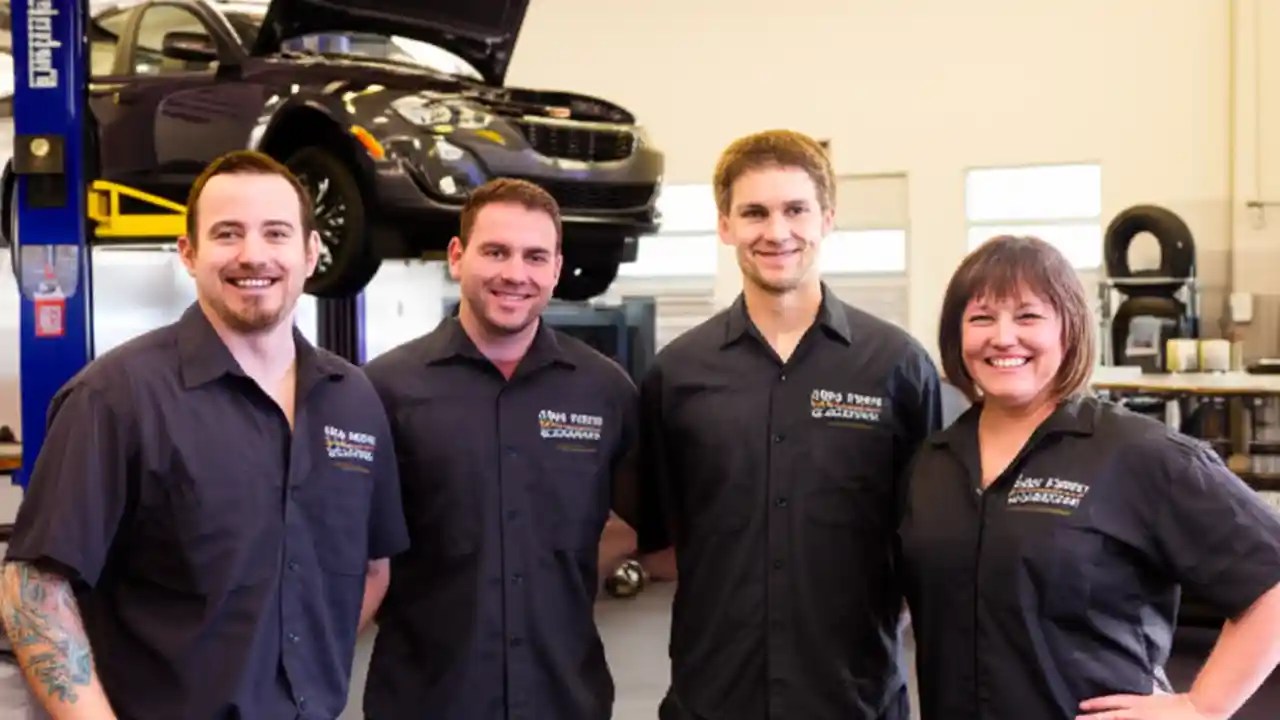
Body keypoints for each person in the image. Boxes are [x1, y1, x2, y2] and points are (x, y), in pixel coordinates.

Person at [0, 150, 410, 720]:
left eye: (276, 233)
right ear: (188, 253)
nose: (253, 255)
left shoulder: (354, 399)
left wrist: (299, 678)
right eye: (227, 234)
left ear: (311, 252)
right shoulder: (116, 398)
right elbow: (34, 586)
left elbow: (370, 567)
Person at [898, 234, 1280, 720]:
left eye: (1028, 316)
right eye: (981, 318)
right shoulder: (933, 462)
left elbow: (1273, 579)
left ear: (1070, 329)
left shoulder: (1137, 453)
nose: (1002, 336)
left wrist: (1202, 706)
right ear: (957, 337)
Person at [635, 129, 944, 720]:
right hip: (714, 696)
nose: (776, 232)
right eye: (754, 212)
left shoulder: (897, 366)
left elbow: (923, 532)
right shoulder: (677, 374)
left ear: (827, 219)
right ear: (725, 225)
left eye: (795, 209)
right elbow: (660, 541)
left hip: (854, 697)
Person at [360, 177, 640, 720]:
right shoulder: (384, 390)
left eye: (535, 256)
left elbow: (643, 527)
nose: (515, 273)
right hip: (425, 702)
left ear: (556, 269)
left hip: (565, 699)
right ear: (458, 256)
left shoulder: (604, 390)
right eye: (495, 251)